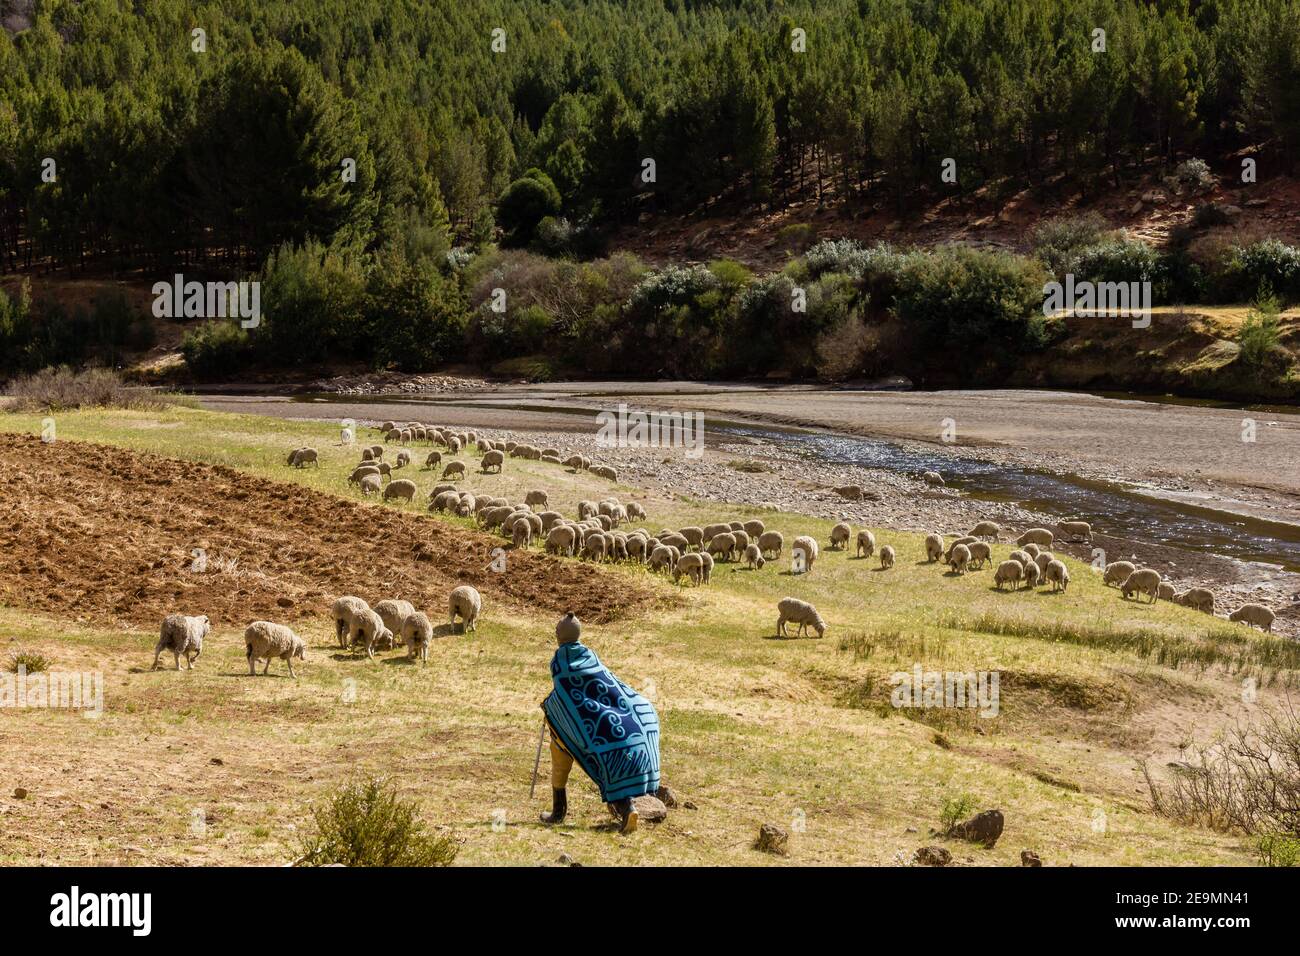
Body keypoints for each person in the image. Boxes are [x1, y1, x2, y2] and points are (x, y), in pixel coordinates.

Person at [539, 612, 660, 833]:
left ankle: (561, 811)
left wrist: (550, 707)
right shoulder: (589, 655)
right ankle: (626, 807)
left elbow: (566, 692)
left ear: (559, 636)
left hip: (591, 721)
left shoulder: (560, 661)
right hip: (618, 715)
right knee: (562, 746)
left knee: (562, 749)